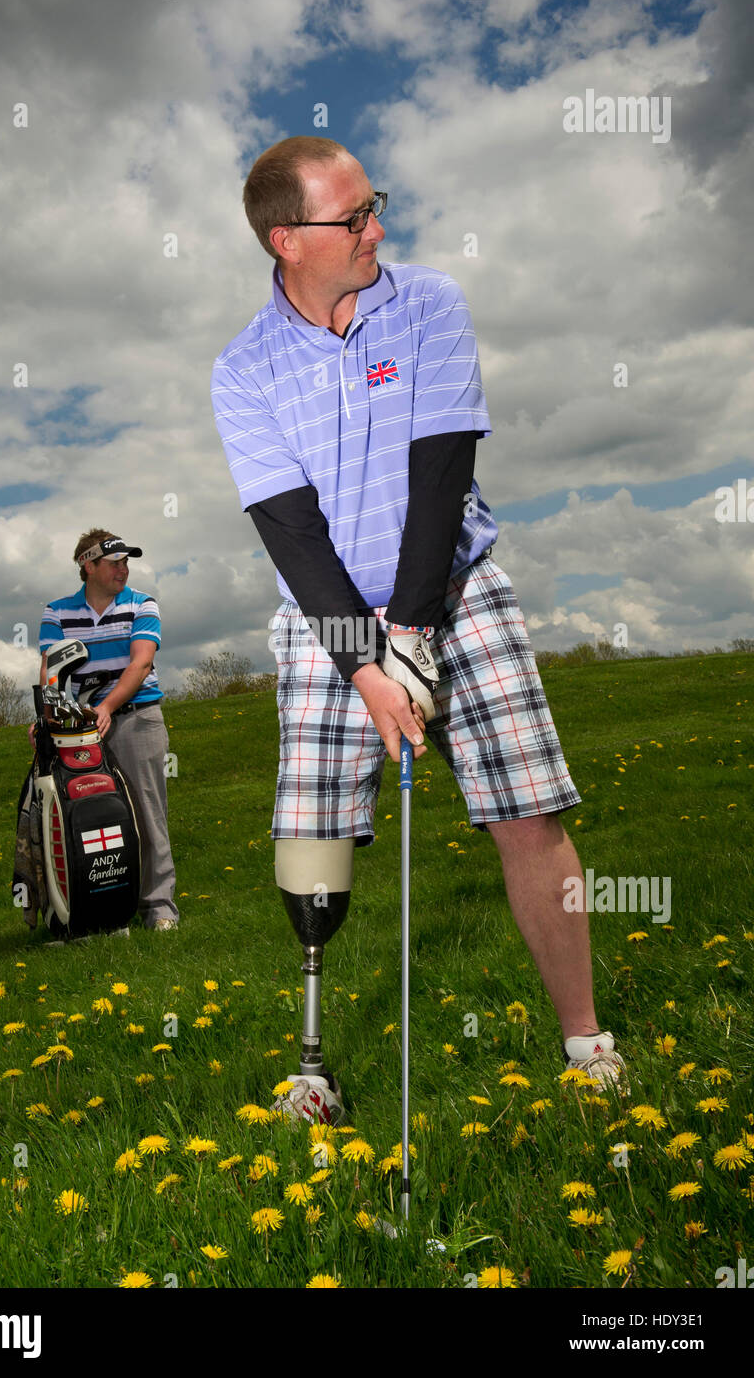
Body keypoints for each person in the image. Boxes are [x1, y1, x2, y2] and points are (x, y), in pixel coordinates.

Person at [211, 137, 625, 1122]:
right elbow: (291, 533)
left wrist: (414, 633)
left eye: (373, 206)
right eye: (350, 218)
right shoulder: (243, 369)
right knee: (311, 841)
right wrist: (368, 663)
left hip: (455, 586)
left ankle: (586, 1044)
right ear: (286, 240)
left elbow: (441, 476)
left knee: (527, 812)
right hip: (329, 618)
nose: (376, 229)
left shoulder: (428, 301)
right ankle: (313, 1070)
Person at [32, 529, 180, 933]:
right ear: (88, 565)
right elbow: (51, 670)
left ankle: (158, 908)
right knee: (81, 816)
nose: (123, 569)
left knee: (148, 815)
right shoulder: (57, 612)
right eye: (114, 563)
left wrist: (107, 707)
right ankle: (97, 907)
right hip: (77, 729)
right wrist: (49, 718)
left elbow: (141, 664)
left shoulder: (142, 604)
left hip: (136, 717)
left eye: (126, 562)